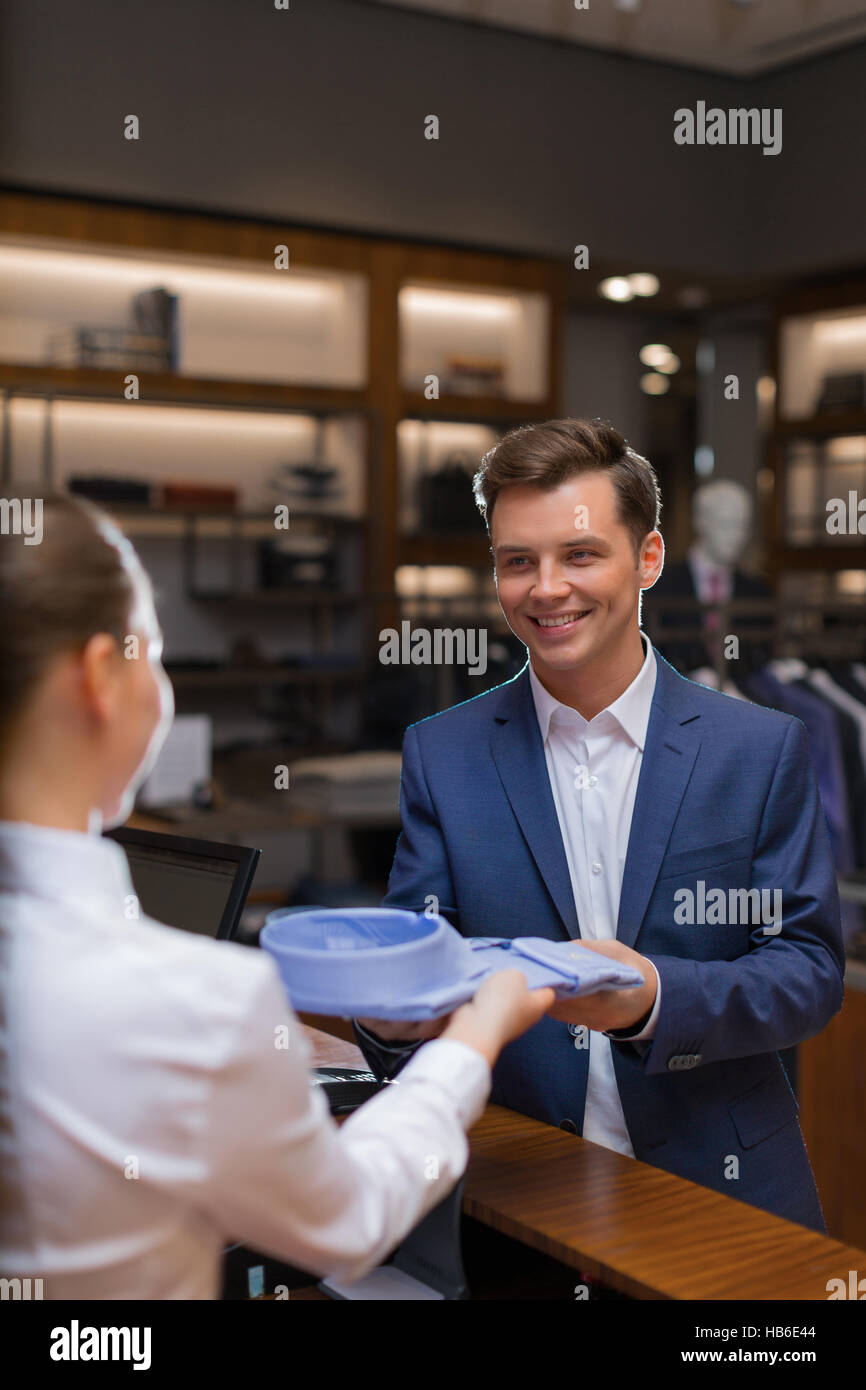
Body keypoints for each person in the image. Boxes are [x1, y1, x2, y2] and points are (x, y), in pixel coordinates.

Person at [0, 492, 553, 1299]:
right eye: (150, 653)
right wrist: (470, 1045)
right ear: (97, 677)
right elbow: (351, 1219)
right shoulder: (196, 1004)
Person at [353, 417, 845, 1234]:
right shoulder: (442, 755)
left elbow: (808, 972)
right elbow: (415, 964)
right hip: (514, 1198)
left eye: (580, 554)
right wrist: (385, 1013)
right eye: (519, 561)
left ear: (647, 559)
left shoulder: (759, 749)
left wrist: (654, 997)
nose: (547, 588)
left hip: (719, 1197)